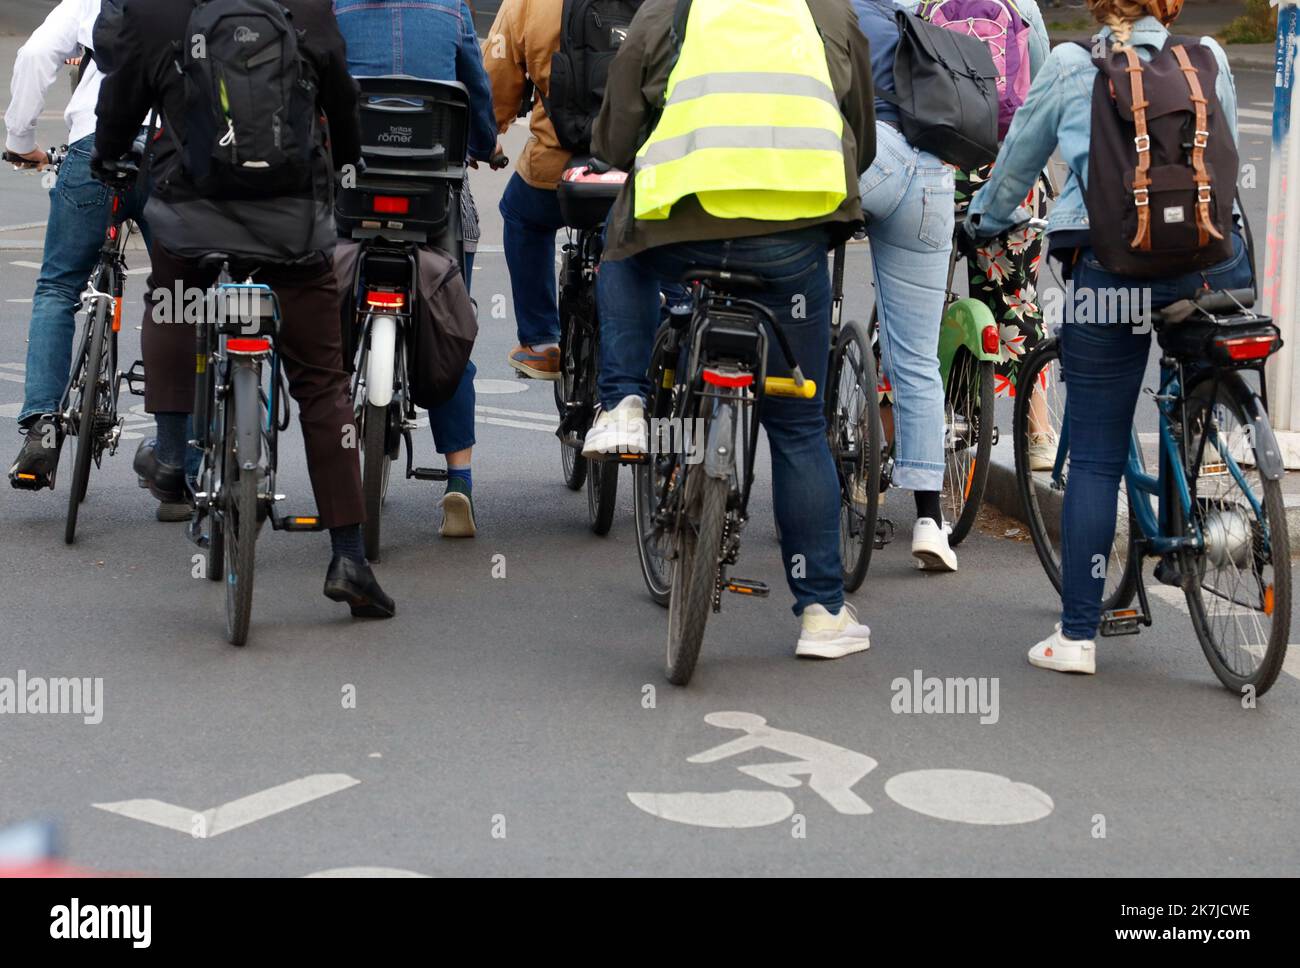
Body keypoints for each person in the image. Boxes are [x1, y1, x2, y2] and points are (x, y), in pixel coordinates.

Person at [966, 0, 1251, 674]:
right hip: (1208, 268)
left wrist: (985, 219)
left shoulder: (1071, 65)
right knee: (1197, 379)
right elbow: (1229, 163)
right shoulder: (1207, 55)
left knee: (1093, 455)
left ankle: (1077, 638)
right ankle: (1201, 511)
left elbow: (1015, 167)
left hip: (1110, 269)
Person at [586, 0, 877, 658]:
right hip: (791, 242)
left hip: (679, 229)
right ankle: (823, 616)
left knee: (619, 254)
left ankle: (626, 401)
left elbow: (618, 124)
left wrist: (615, 148)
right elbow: (861, 123)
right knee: (799, 426)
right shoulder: (829, 12)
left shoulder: (673, 8)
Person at [95, 0, 396, 619]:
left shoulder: (157, 9)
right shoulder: (306, 7)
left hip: (191, 216)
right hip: (290, 224)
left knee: (172, 302)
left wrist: (110, 154)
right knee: (321, 382)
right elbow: (340, 94)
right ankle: (347, 558)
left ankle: (175, 457)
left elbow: (121, 93)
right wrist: (346, 163)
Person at [333, 0, 501, 537]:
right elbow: (474, 92)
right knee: (452, 324)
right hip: (434, 202)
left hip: (354, 196)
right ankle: (459, 481)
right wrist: (484, 144)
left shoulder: (336, 6)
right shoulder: (451, 7)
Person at [3, 0, 152, 497]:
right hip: (170, 151)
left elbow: (33, 55)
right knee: (182, 292)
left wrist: (21, 140)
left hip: (94, 143)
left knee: (58, 286)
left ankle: (41, 427)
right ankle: (183, 452)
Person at [482, 0, 571, 380]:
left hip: (556, 162)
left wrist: (487, 134)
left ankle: (541, 343)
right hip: (630, 164)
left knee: (520, 213)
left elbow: (497, 76)